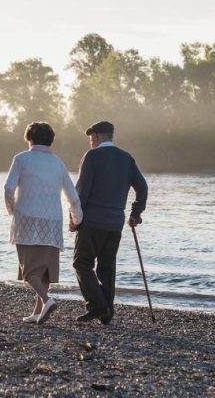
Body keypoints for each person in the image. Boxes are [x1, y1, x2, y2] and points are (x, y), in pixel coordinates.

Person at [4, 122, 82, 325]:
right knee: (45, 268)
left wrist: (13, 211)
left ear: (28, 138)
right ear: (51, 140)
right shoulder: (57, 162)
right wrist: (77, 218)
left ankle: (47, 301)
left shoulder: (21, 159)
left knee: (28, 268)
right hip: (52, 219)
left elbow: (8, 188)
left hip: (26, 217)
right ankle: (38, 311)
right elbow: (72, 195)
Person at [72, 120, 148, 325]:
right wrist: (135, 213)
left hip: (92, 221)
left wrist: (74, 219)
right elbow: (142, 188)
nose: (90, 141)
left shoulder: (92, 156)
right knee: (107, 266)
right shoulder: (126, 158)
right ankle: (107, 312)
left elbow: (81, 191)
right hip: (115, 222)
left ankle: (98, 306)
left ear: (96, 137)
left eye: (91, 137)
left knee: (81, 263)